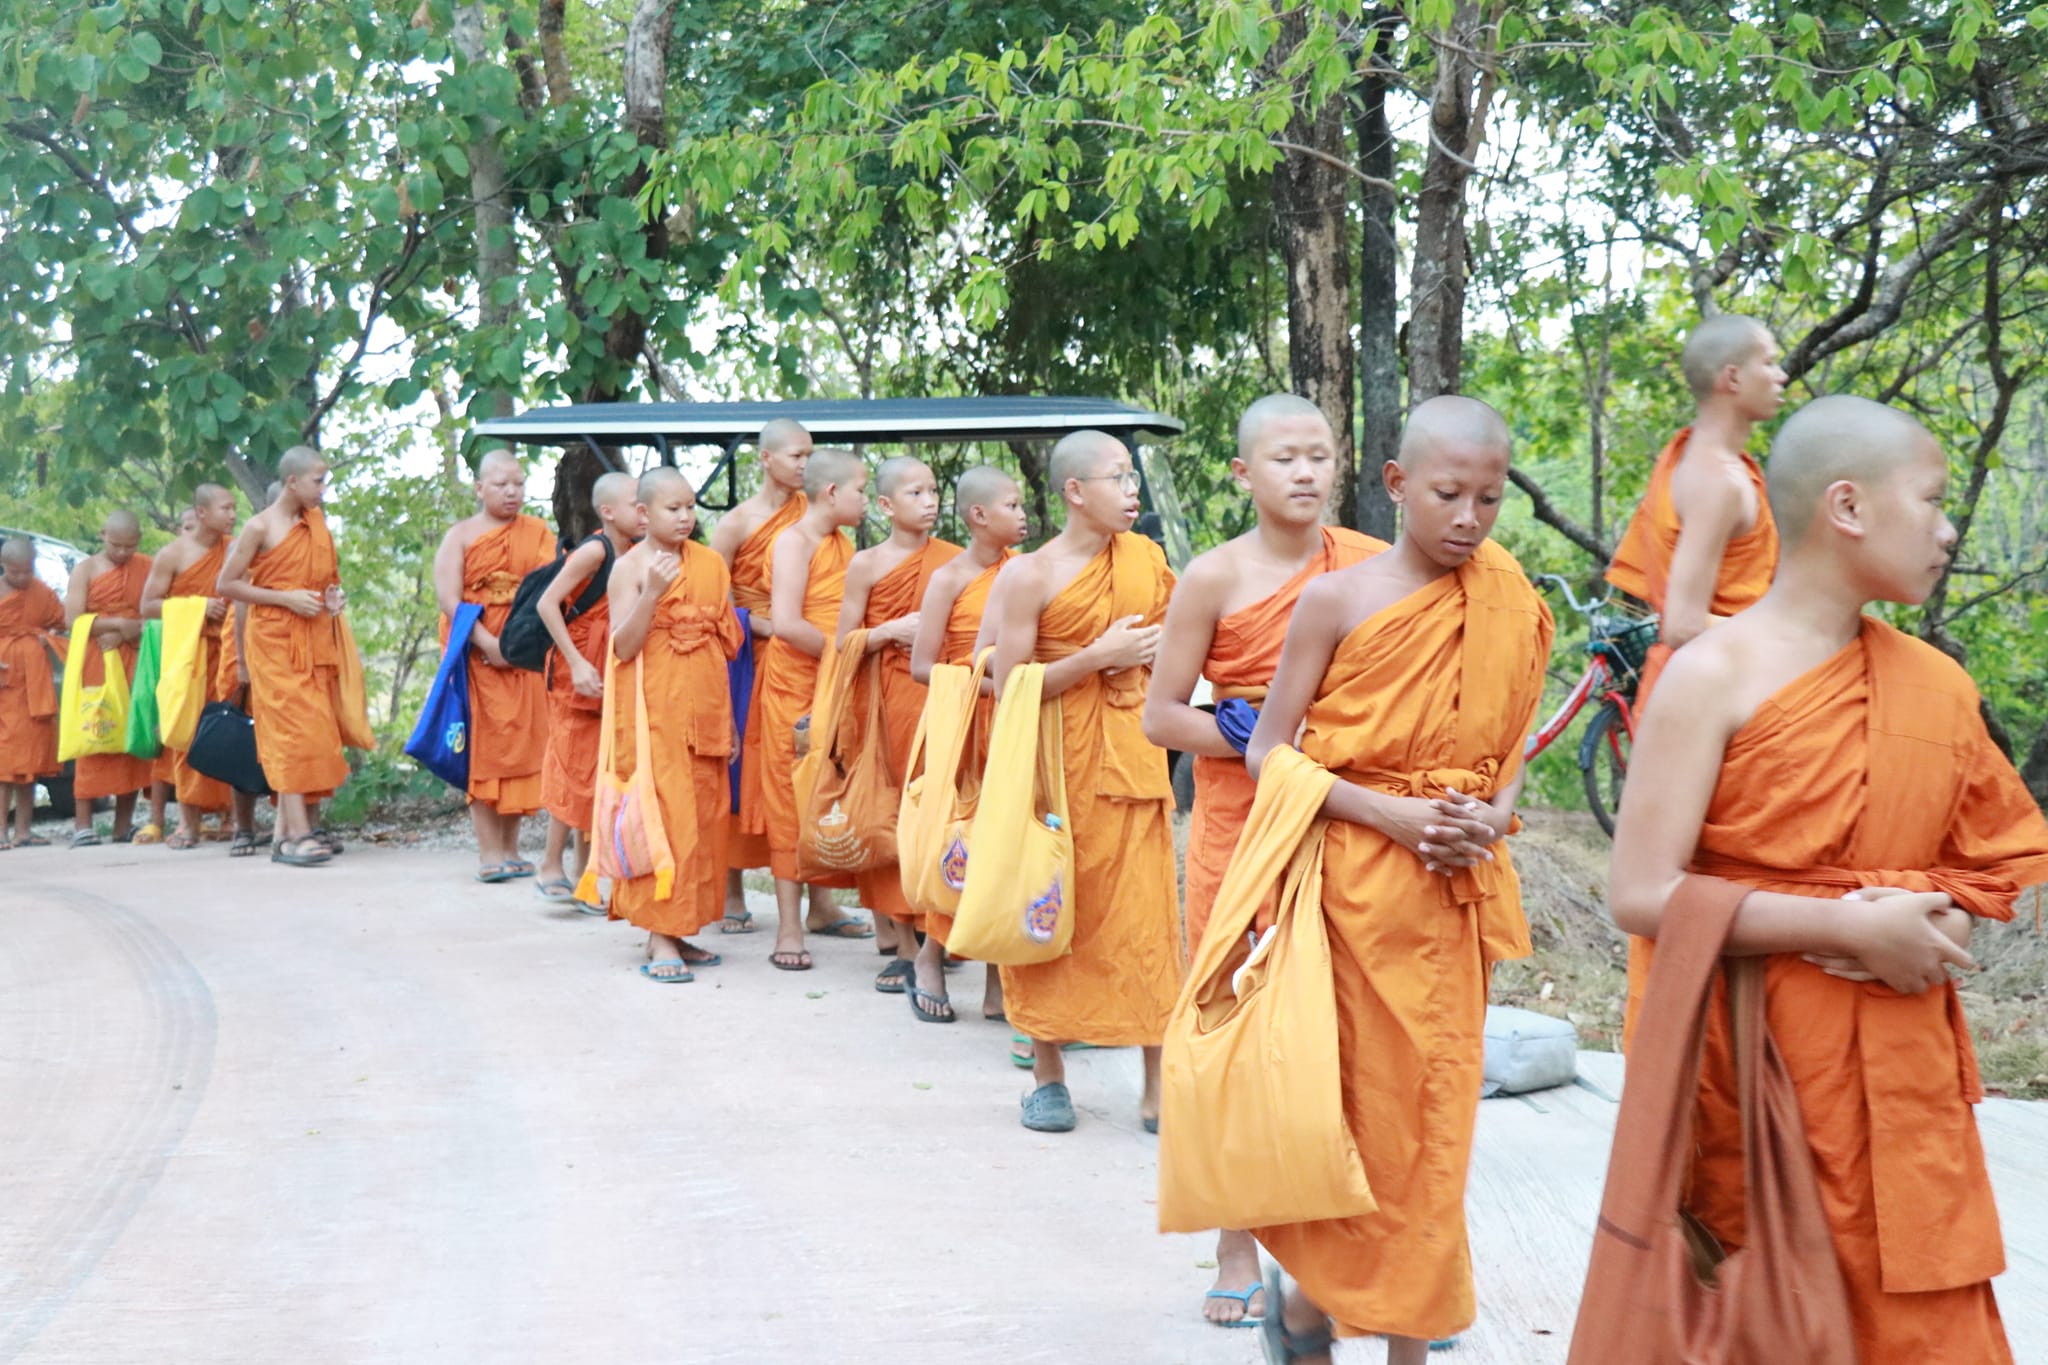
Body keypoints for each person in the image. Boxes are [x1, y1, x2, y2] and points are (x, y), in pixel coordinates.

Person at [1604, 395, 2048, 1364]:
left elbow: (1985, 864)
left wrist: (1941, 924)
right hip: (1755, 1068)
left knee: (1927, 1321)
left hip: (1905, 1078)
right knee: (1775, 1319)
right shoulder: (1710, 674)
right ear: (1846, 507)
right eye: (1930, 500)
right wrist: (1845, 928)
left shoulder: (1936, 684)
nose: (1947, 529)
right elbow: (1639, 891)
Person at [1241, 396, 1554, 1364]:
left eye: (1489, 499)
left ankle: (1381, 1328)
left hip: (1453, 894)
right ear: (1395, 484)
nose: (1469, 518)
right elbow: (1266, 751)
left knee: (1433, 1130)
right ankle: (1310, 1303)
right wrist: (1388, 814)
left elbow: (1508, 755)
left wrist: (1492, 817)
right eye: (1448, 494)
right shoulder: (1336, 600)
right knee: (1362, 1123)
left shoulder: (1510, 602)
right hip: (1352, 894)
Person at [1140, 394, 1386, 1329]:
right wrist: (1252, 737)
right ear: (1244, 473)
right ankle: (1235, 1244)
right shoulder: (1213, 577)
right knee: (1239, 1023)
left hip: (1347, 814)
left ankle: (1373, 1264)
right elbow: (1162, 715)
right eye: (1285, 457)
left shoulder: (1373, 564)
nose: (1307, 471)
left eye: (1320, 454)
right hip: (1242, 821)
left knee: (1351, 1030)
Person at [982, 430, 1181, 1135]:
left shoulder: (1146, 559)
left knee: (1145, 921)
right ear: (1074, 491)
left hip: (1132, 759)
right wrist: (1097, 656)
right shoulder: (1029, 575)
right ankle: (1048, 1075)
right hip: (1054, 763)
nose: (1132, 491)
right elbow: (1009, 682)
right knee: (1048, 905)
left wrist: (1144, 659)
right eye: (1117, 477)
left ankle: (1157, 1084)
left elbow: (1180, 643)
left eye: (1133, 477)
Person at [1607, 313, 1785, 1051]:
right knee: (1694, 878)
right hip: (1706, 695)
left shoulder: (1701, 458)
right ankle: (1684, 1058)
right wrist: (1785, 641)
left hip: (1711, 688)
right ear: (1732, 379)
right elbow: (1682, 621)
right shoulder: (1715, 479)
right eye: (1770, 361)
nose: (1782, 375)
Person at [708, 419, 857, 937]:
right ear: (765, 458)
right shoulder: (736, 524)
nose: (804, 464)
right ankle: (732, 891)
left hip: (805, 651)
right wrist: (765, 626)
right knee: (745, 769)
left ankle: (823, 902)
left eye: (810, 455)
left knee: (810, 769)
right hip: (747, 653)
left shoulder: (817, 518)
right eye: (796, 455)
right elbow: (715, 598)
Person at [601, 468, 744, 980]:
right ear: (643, 514)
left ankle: (680, 930)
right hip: (653, 718)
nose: (685, 517)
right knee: (663, 820)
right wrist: (652, 595)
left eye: (690, 507)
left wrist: (729, 723)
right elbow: (622, 647)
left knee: (704, 823)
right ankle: (660, 935)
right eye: (673, 508)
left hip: (706, 710)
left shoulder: (709, 563)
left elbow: (723, 645)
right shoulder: (629, 568)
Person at [904, 466, 1029, 1022]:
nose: (1023, 515)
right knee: (962, 845)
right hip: (965, 724)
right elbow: (922, 666)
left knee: (1008, 848)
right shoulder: (948, 579)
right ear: (979, 515)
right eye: (1012, 505)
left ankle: (999, 981)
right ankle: (930, 955)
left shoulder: (1025, 571)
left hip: (1015, 721)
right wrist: (986, 684)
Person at [835, 456, 962, 992]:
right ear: (886, 505)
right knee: (895, 815)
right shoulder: (866, 564)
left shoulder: (956, 561)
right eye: (915, 493)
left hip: (945, 697)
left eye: (933, 491)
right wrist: (888, 631)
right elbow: (844, 641)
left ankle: (938, 930)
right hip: (887, 704)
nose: (929, 501)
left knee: (942, 813)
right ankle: (904, 943)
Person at [760, 447, 871, 970]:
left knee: (830, 789)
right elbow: (785, 622)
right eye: (861, 491)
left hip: (836, 683)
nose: (865, 500)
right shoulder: (794, 541)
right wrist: (844, 654)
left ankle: (822, 908)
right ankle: (788, 927)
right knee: (790, 797)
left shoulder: (842, 543)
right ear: (831, 493)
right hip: (796, 683)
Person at [217, 448, 352, 867]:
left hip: (314, 640)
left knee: (315, 734)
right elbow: (227, 584)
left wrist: (331, 597)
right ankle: (296, 836)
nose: (323, 489)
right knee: (289, 735)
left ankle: (284, 834)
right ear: (292, 482)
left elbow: (322, 578)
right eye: (317, 481)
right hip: (274, 640)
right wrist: (286, 599)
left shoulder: (316, 524)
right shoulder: (259, 527)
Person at [433, 450, 557, 882]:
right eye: (502, 484)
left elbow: (550, 590)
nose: (512, 492)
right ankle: (489, 852)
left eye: (518, 484)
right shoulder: (460, 536)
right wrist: (488, 642)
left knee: (524, 747)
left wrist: (520, 645)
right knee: (486, 752)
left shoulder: (537, 532)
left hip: (525, 654)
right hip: (478, 655)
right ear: (480, 488)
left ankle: (511, 848)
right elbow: (450, 600)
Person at [533, 472, 641, 908]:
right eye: (636, 503)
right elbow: (547, 604)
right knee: (573, 769)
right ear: (608, 512)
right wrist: (577, 663)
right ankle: (549, 865)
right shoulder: (596, 550)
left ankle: (585, 876)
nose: (644, 511)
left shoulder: (635, 552)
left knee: (598, 770)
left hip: (608, 670)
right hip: (576, 672)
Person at [141, 484, 252, 850]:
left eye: (234, 508)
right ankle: (188, 823)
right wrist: (198, 606)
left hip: (229, 652)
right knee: (189, 733)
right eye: (225, 508)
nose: (233, 515)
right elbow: (148, 605)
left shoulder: (237, 548)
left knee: (231, 732)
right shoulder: (173, 554)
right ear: (202, 512)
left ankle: (232, 819)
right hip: (191, 656)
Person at [62, 509, 153, 847]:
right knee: (95, 732)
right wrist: (117, 625)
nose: (122, 552)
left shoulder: (147, 566)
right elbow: (73, 619)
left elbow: (157, 612)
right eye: (116, 545)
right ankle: (83, 825)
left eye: (130, 546)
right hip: (97, 658)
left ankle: (122, 825)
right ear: (102, 535)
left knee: (133, 735)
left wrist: (131, 631)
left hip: (135, 656)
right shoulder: (85, 570)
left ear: (138, 540)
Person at [0, 537, 65, 848]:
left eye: (27, 571)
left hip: (34, 685)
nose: (23, 577)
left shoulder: (41, 593)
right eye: (16, 572)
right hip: (5, 685)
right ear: (3, 567)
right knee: (4, 765)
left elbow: (62, 622)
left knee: (31, 761)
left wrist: (46, 638)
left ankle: (23, 831)